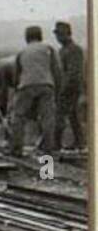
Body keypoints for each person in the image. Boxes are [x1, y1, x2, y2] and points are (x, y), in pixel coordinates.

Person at [11, 25, 61, 156]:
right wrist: (56, 89)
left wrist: (17, 89)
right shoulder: (49, 49)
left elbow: (17, 74)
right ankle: (48, 149)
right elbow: (57, 71)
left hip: (26, 85)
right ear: (40, 36)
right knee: (47, 117)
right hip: (46, 85)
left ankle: (16, 149)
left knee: (18, 116)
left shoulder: (22, 52)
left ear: (27, 37)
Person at [53, 21, 85, 149]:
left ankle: (57, 144)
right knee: (72, 116)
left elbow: (73, 73)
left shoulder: (74, 50)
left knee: (61, 115)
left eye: (60, 34)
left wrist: (63, 89)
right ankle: (79, 142)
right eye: (57, 35)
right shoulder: (62, 50)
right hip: (65, 87)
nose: (58, 37)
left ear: (67, 34)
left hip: (71, 88)